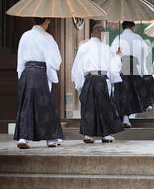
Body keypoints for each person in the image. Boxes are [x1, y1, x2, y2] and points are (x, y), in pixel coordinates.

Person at [14, 17, 63, 149]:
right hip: (41, 73)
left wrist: (21, 76)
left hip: (27, 73)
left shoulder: (25, 36)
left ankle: (22, 137)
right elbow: (55, 61)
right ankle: (51, 139)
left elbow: (20, 58)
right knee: (46, 107)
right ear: (46, 21)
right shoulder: (48, 38)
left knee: (27, 106)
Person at [71, 24, 123, 143]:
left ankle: (88, 135)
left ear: (92, 34)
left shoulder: (84, 47)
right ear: (101, 35)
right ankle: (106, 135)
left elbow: (77, 67)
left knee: (88, 107)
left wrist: (79, 85)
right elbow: (113, 67)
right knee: (105, 107)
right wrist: (118, 56)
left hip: (89, 79)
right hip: (102, 79)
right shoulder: (106, 48)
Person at [110, 21, 154, 128]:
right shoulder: (137, 38)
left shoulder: (117, 39)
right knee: (135, 90)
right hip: (134, 66)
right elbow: (144, 53)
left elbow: (112, 54)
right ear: (132, 27)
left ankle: (125, 118)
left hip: (121, 66)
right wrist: (142, 69)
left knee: (123, 92)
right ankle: (145, 104)